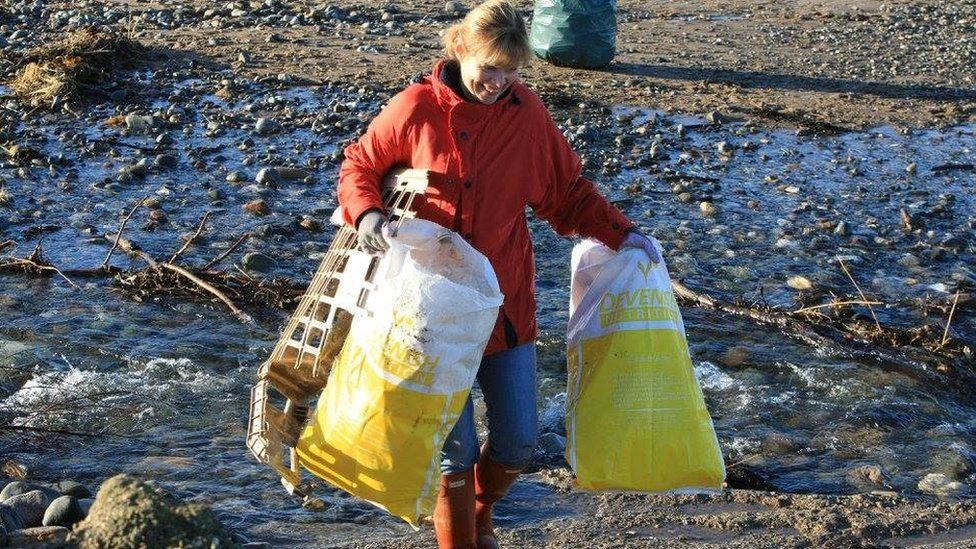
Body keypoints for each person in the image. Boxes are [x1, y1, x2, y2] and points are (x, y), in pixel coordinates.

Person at [336, 1, 660, 547]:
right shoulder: (414, 108)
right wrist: (366, 213)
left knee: (518, 443)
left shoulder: (525, 114)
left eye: (510, 72)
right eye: (489, 68)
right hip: (427, 313)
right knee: (456, 452)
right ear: (460, 48)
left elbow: (567, 194)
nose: (497, 83)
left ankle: (479, 515)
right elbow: (359, 166)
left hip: (504, 306)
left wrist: (621, 233)